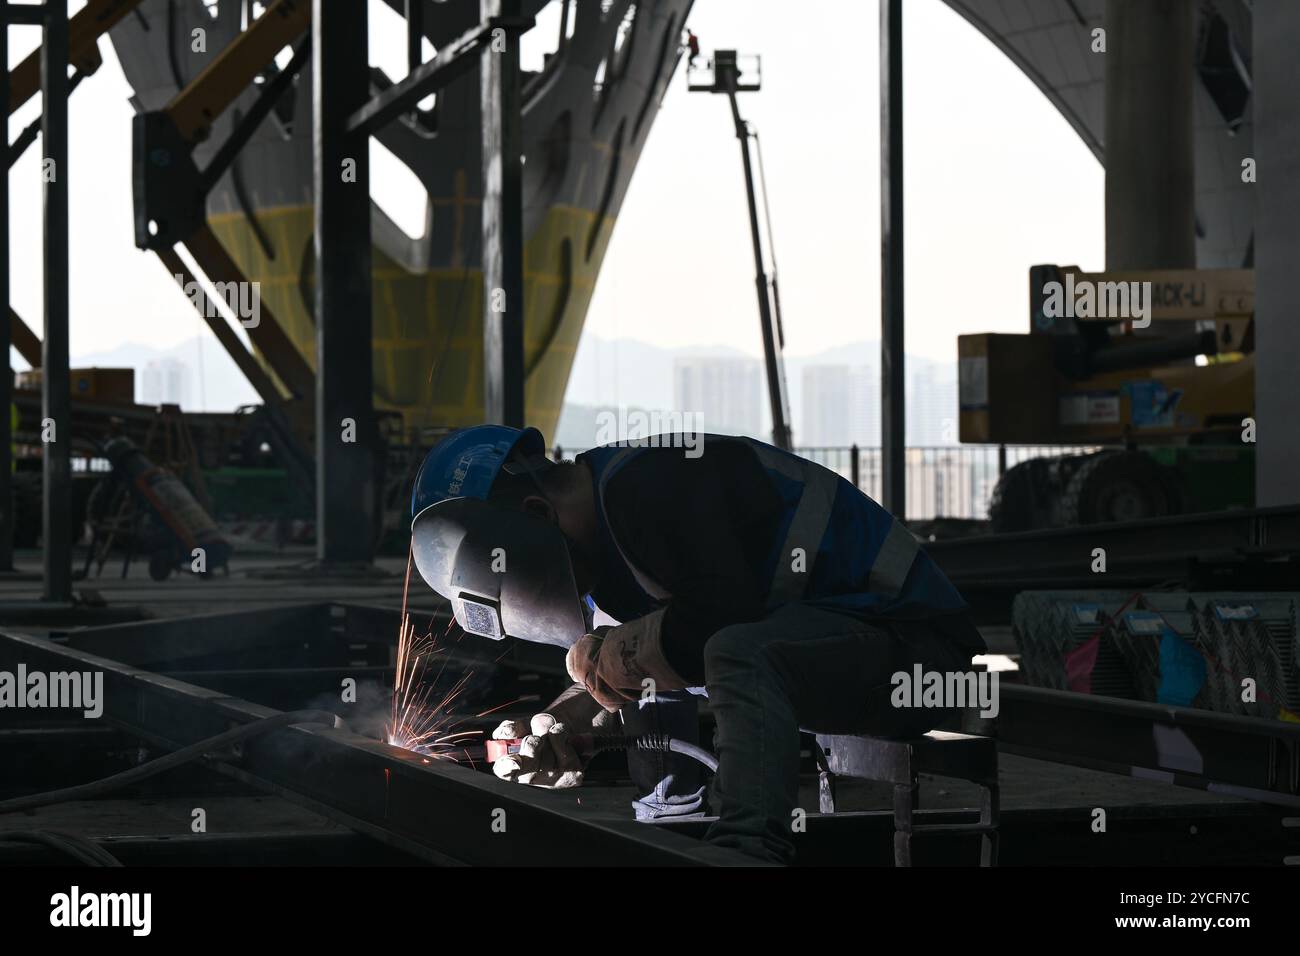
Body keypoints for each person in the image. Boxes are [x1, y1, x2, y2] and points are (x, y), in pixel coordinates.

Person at [409, 425, 986, 864]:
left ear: (537, 514)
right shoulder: (607, 544)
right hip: (849, 657)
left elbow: (714, 628)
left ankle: (745, 851)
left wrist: (618, 655)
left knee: (736, 651)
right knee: (715, 650)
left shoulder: (649, 486)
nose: (576, 599)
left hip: (924, 659)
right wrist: (566, 720)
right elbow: (660, 648)